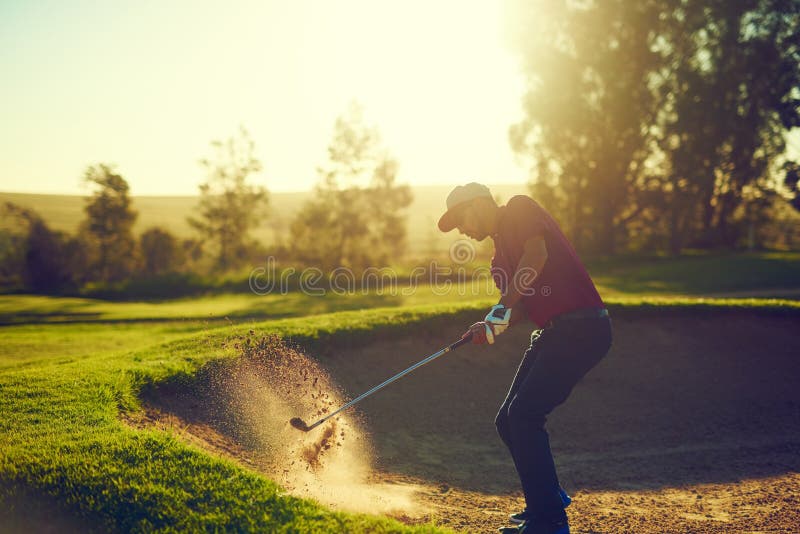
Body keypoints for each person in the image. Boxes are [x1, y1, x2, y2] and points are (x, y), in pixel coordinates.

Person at [437, 183, 613, 534]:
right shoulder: (498, 260)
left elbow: (536, 257)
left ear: (481, 203)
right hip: (555, 332)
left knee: (525, 415)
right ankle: (544, 499)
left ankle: (549, 520)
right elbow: (519, 309)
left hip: (583, 327)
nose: (462, 231)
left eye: (461, 219)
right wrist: (489, 326)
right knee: (507, 420)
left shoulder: (519, 209)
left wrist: (499, 309)